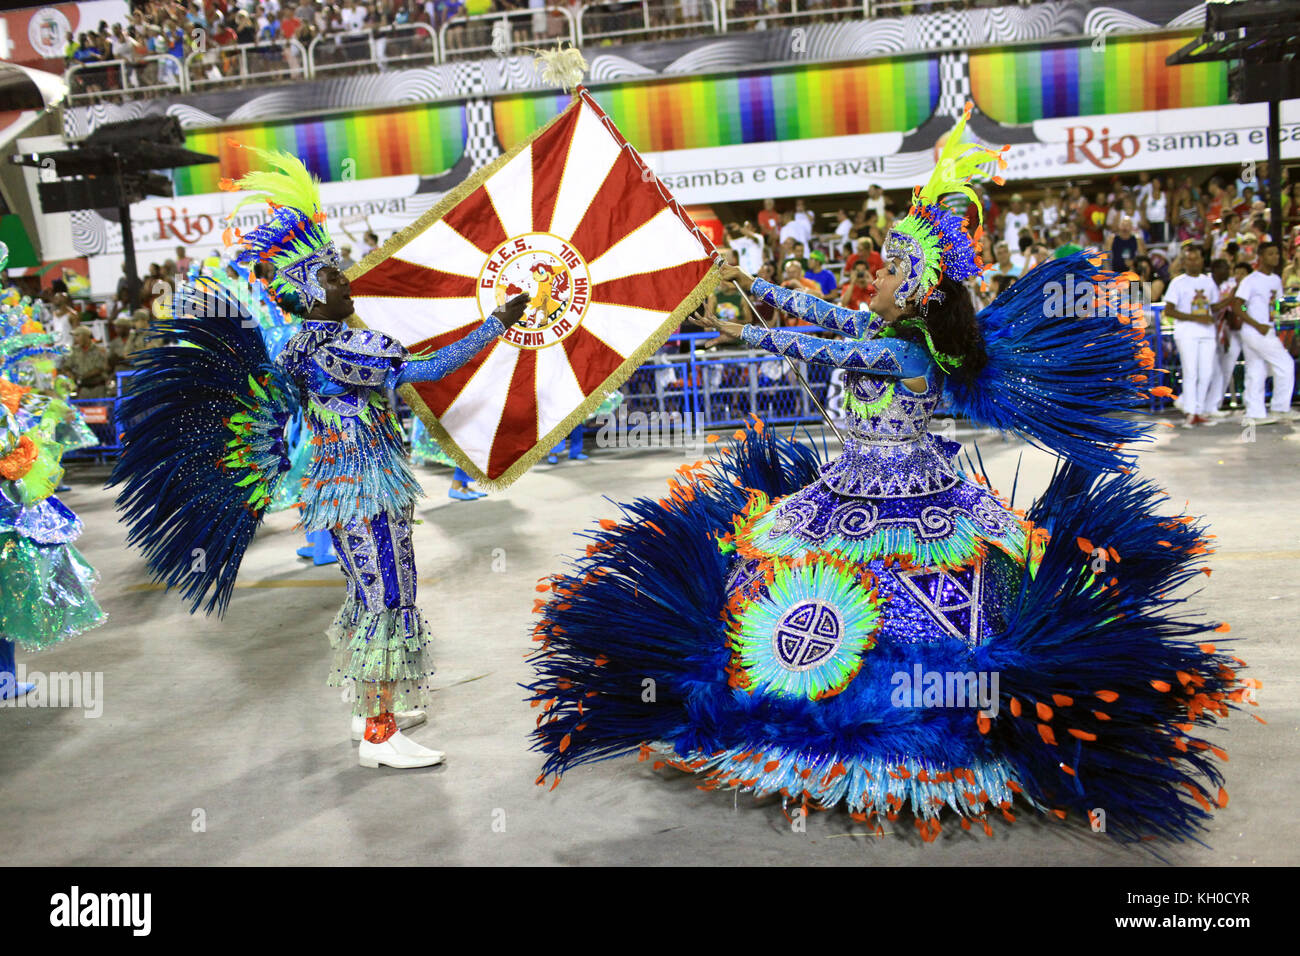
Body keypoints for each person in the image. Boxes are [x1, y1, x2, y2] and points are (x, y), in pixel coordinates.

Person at [526, 109, 1247, 845]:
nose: (878, 275)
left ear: (917, 289)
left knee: (921, 612)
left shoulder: (908, 351)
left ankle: (904, 725)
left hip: (916, 507)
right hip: (843, 493)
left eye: (893, 268)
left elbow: (834, 354)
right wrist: (749, 283)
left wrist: (749, 332)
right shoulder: (885, 326)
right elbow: (825, 316)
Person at [111, 148, 530, 770]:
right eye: (332, 276)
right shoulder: (334, 348)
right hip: (360, 489)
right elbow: (430, 369)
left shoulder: (314, 341)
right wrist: (496, 322)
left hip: (354, 487)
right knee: (389, 596)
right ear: (307, 291)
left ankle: (372, 708)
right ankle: (380, 736)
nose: (345, 281)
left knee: (371, 595)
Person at [1232, 242, 1295, 426]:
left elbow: (1275, 306)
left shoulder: (1275, 279)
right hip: (1256, 330)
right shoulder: (1251, 280)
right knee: (1285, 364)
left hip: (1267, 328)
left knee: (1256, 369)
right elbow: (1238, 305)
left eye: (1277, 253)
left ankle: (1255, 412)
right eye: (1270, 254)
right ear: (1260, 256)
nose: (1275, 257)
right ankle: (1281, 407)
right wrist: (1255, 323)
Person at [1163, 242, 1221, 427]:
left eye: (1196, 259)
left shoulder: (1209, 281)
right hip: (1186, 333)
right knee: (1191, 372)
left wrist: (1232, 299)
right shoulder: (1177, 282)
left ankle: (1199, 410)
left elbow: (1213, 306)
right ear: (1184, 262)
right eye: (1189, 260)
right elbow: (1169, 310)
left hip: (1207, 333)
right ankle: (1190, 412)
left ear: (1202, 261)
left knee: (1206, 373)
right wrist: (1196, 318)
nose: (1193, 263)